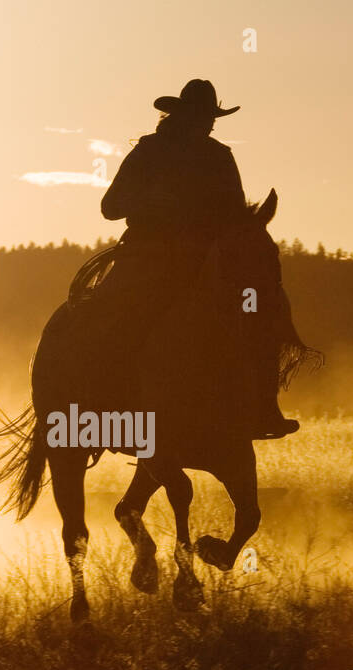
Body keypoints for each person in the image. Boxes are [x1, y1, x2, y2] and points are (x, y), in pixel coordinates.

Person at [98, 79, 298, 438]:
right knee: (116, 315)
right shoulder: (149, 152)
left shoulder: (220, 156)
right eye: (204, 117)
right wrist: (150, 204)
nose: (208, 124)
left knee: (263, 313)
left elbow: (235, 216)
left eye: (211, 118)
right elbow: (110, 207)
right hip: (148, 254)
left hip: (206, 260)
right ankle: (104, 399)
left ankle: (264, 407)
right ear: (183, 116)